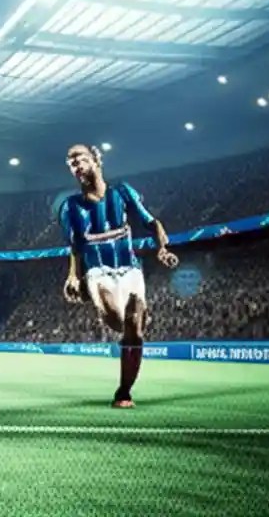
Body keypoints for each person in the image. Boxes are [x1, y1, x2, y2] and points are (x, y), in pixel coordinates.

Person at [60, 143, 179, 409]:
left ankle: (124, 391)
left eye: (80, 159)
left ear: (96, 159)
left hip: (130, 268)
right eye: (71, 164)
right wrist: (72, 276)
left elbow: (152, 223)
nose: (76, 166)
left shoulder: (123, 193)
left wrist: (162, 248)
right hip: (97, 271)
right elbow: (75, 246)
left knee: (135, 327)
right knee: (115, 320)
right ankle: (108, 312)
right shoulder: (70, 207)